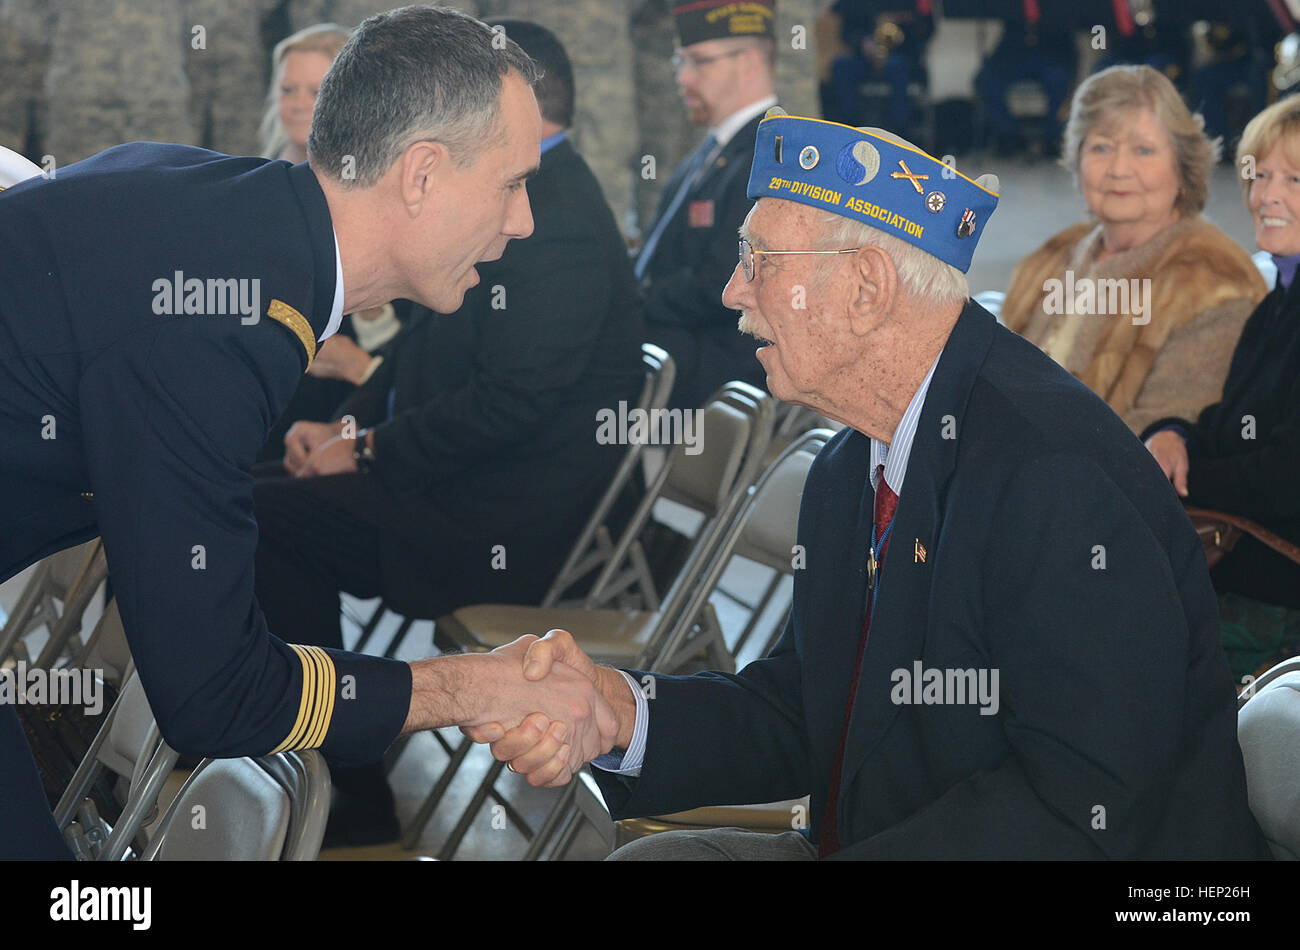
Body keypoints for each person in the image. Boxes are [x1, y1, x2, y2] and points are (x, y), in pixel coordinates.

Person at [483, 113, 1270, 859]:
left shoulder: (1054, 476)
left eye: (759, 261)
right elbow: (811, 709)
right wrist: (620, 712)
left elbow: (1084, 804)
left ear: (865, 287)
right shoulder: (849, 467)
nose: (731, 291)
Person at [0, 6, 614, 860]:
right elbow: (212, 695)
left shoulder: (226, 217)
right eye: (512, 184)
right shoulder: (229, 319)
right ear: (422, 174)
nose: (524, 222)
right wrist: (473, 686)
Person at [251, 18, 645, 846]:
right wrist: (337, 427)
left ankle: (342, 788)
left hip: (510, 520)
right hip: (461, 483)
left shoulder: (557, 214)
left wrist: (359, 451)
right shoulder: (529, 187)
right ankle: (258, 743)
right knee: (261, 478)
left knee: (263, 525)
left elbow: (512, 401)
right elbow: (427, 340)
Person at [1002, 65, 1266, 436]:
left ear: (1182, 164)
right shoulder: (1053, 255)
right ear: (1077, 158)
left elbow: (1159, 437)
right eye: (1101, 147)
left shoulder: (1216, 281)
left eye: (1144, 150)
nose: (1119, 168)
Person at [1143, 95, 1300, 679]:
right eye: (1260, 175)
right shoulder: (1278, 304)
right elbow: (1235, 424)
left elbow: (1286, 478)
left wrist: (1174, 482)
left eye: (1294, 179)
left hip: (1277, 594)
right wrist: (1173, 435)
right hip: (1242, 564)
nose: (1266, 196)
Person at [252, 21, 405, 460]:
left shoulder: (385, 194)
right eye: (287, 90)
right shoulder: (252, 185)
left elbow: (408, 343)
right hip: (262, 383)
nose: (298, 105)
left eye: (315, 91)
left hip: (348, 407)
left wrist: (360, 360)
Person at [637, 0, 777, 411]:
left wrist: (630, 300)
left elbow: (724, 281)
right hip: (677, 348)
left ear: (749, 61)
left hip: (712, 372)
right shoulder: (716, 148)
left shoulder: (768, 154)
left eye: (698, 62)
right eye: (680, 61)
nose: (683, 78)